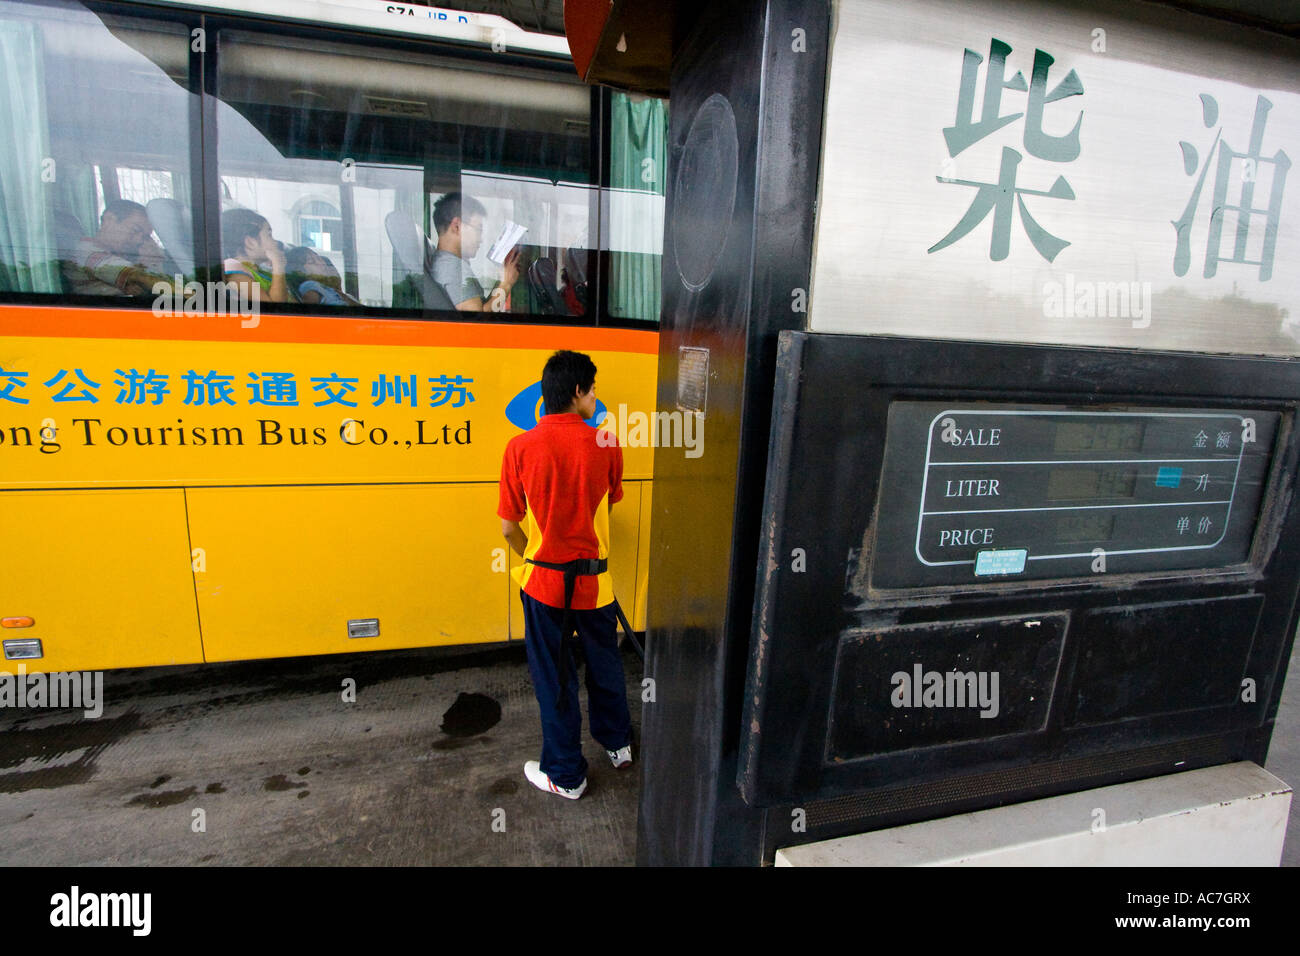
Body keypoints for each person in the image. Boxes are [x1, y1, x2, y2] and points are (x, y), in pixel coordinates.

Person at [498, 350, 633, 799]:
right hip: (595, 585)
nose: (595, 397)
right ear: (577, 391)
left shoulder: (519, 448)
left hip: (544, 586)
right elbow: (606, 505)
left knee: (554, 679)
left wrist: (532, 560)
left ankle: (566, 775)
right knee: (606, 665)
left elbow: (508, 526)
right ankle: (618, 744)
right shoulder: (607, 445)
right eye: (592, 389)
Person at [430, 191, 520, 313]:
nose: (481, 239)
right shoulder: (453, 268)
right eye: (478, 229)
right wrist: (506, 284)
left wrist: (502, 280)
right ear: (456, 226)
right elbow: (479, 323)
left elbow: (481, 309)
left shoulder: (446, 262)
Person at [63, 200, 172, 297]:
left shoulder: (117, 255)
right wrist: (152, 262)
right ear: (109, 219)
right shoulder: (87, 253)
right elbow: (142, 280)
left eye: (144, 237)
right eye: (135, 230)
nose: (139, 241)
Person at [221, 208, 288, 304]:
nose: (275, 242)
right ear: (250, 242)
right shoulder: (233, 268)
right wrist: (278, 266)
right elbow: (276, 309)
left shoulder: (256, 270)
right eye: (269, 235)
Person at [285, 246, 362, 306]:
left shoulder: (329, 289)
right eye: (312, 261)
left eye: (318, 257)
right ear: (301, 271)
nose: (320, 262)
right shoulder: (309, 285)